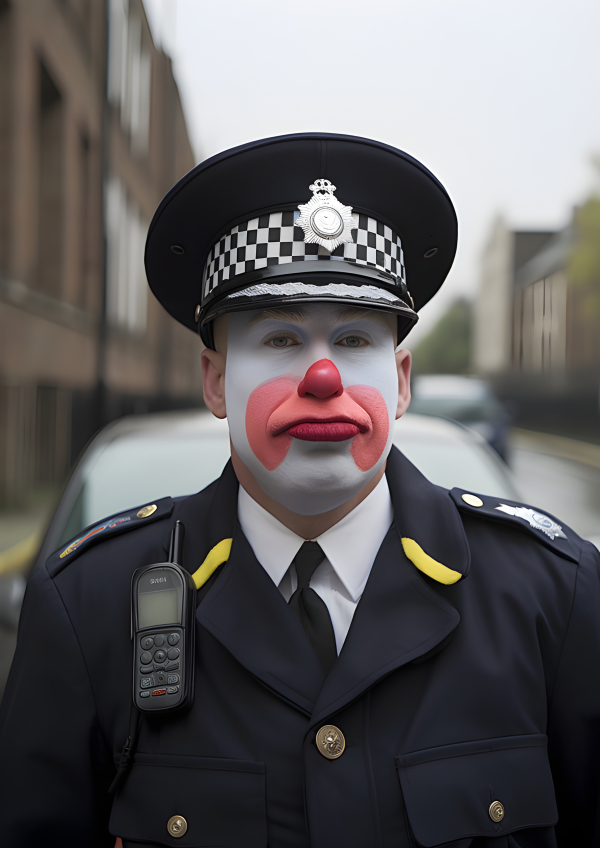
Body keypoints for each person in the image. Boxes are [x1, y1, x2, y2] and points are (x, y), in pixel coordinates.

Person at [1, 133, 599, 848]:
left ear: (401, 381)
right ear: (216, 381)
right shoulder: (90, 607)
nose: (325, 379)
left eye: (354, 341)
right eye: (280, 340)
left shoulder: (551, 598)